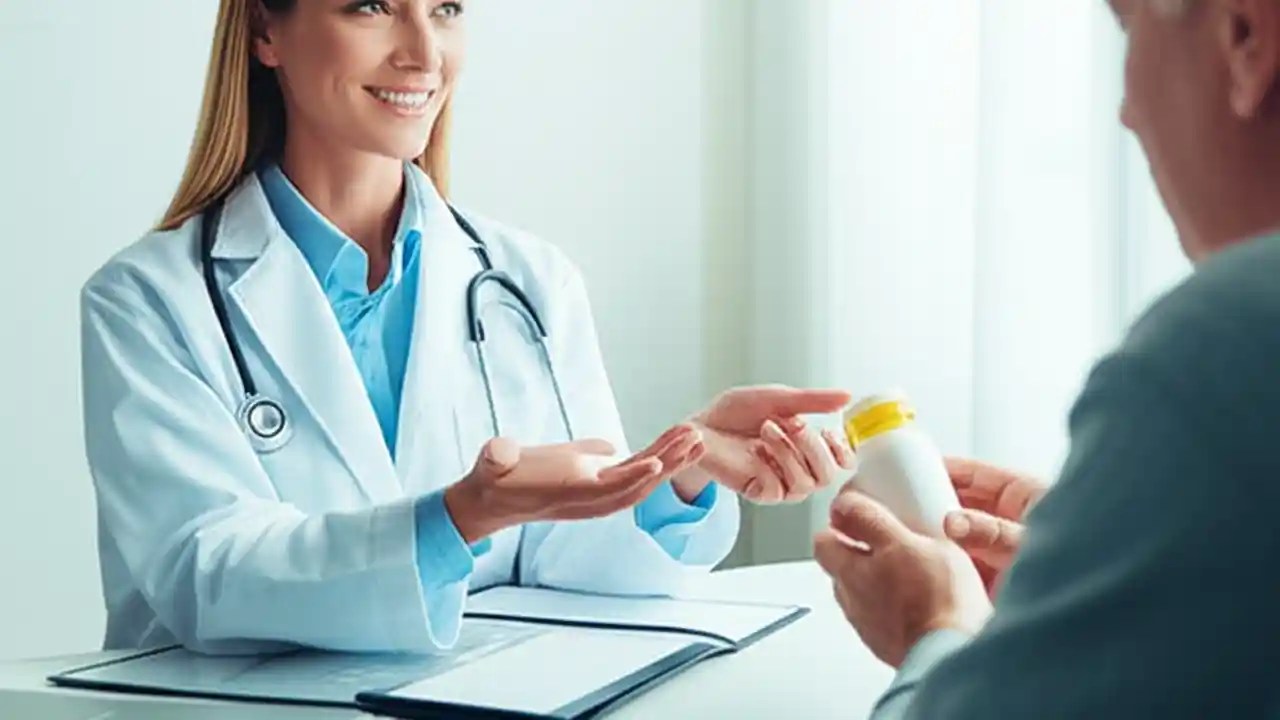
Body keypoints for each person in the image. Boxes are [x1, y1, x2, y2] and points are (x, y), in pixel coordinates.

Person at [81, 0, 857, 656]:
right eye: (372, 5)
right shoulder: (149, 300)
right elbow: (205, 573)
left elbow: (565, 554)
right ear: (264, 33)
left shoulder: (529, 280)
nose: (424, 53)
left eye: (447, 7)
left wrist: (679, 467)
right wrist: (459, 517)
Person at [814, 0, 1280, 716]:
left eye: (1129, 29)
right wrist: (1116, 560)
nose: (1126, 111)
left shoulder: (1221, 345)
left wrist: (933, 634)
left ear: (1246, 37)